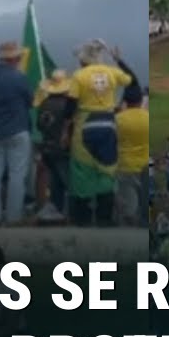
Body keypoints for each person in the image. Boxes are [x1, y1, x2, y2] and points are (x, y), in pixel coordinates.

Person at [65, 40, 135, 226]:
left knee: (82, 168)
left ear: (83, 60)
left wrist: (65, 128)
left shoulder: (79, 76)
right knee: (107, 168)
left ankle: (83, 219)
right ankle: (105, 219)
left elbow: (70, 106)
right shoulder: (112, 72)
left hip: (85, 124)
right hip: (108, 124)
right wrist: (118, 60)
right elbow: (131, 81)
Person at [0, 41, 34, 226]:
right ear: (14, 59)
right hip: (17, 130)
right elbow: (30, 101)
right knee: (17, 175)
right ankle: (13, 217)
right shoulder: (20, 78)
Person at [34, 70, 73, 221]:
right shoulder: (67, 105)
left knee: (55, 181)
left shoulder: (44, 104)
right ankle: (71, 212)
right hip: (62, 149)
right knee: (67, 181)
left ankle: (56, 209)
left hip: (47, 148)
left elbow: (39, 126)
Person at [115, 84, 150, 226]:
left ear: (125, 101)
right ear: (141, 101)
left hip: (125, 165)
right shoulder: (147, 117)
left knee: (129, 204)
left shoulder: (118, 119)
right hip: (145, 164)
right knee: (145, 200)